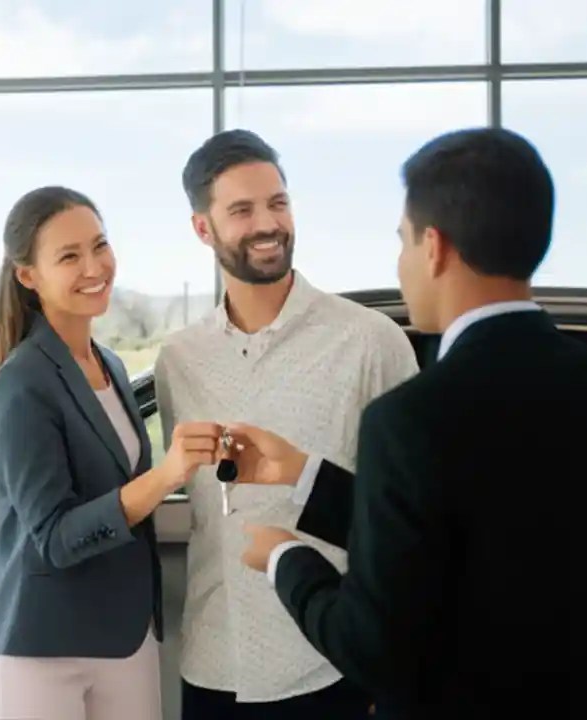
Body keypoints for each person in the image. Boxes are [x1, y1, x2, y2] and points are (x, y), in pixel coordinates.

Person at [229, 127, 587, 719]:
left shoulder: (410, 420)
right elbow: (483, 531)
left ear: (434, 247)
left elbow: (373, 647)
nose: (402, 262)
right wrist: (303, 474)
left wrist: (286, 558)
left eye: (403, 242)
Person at [153, 129, 418, 719]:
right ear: (204, 229)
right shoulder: (179, 360)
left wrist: (393, 675)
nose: (268, 224)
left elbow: (408, 522)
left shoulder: (371, 342)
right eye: (242, 210)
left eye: (278, 202)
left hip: (331, 660)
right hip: (214, 662)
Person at [0, 185, 223, 720]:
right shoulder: (22, 383)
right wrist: (168, 474)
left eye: (100, 245)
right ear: (27, 276)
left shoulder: (106, 363)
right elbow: (56, 538)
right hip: (41, 650)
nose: (94, 266)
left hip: (124, 640)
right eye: (69, 256)